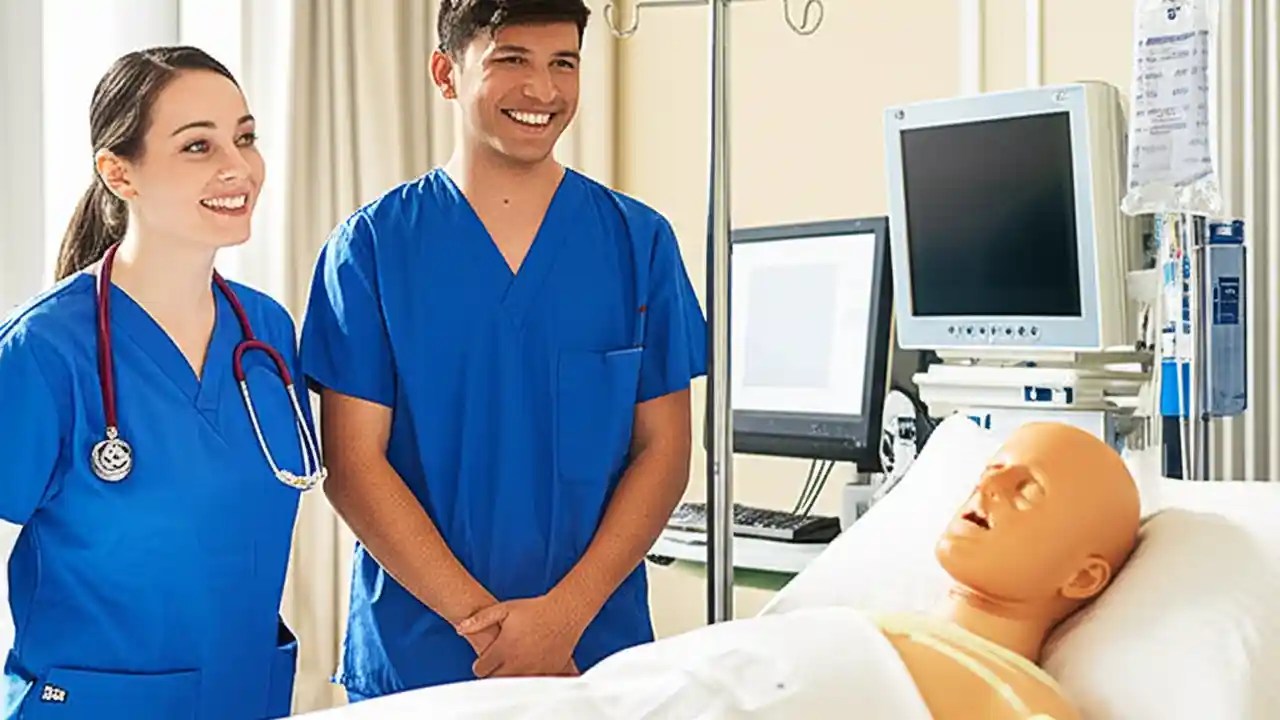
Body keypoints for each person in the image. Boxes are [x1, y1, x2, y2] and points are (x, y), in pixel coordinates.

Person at [299, 0, 708, 702]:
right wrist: (492, 630)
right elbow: (355, 465)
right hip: (422, 652)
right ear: (446, 74)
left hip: (590, 649)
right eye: (511, 61)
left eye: (564, 64)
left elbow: (665, 451)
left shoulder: (637, 244)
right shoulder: (369, 249)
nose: (543, 91)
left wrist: (562, 619)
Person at [304, 421, 1135, 720]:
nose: (986, 485)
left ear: (1086, 578)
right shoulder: (861, 619)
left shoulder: (1017, 699)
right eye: (991, 466)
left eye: (1027, 488)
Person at [0, 47, 321, 719]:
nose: (238, 167)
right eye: (197, 146)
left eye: (244, 137)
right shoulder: (44, 352)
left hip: (243, 697)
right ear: (119, 174)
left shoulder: (265, 333)